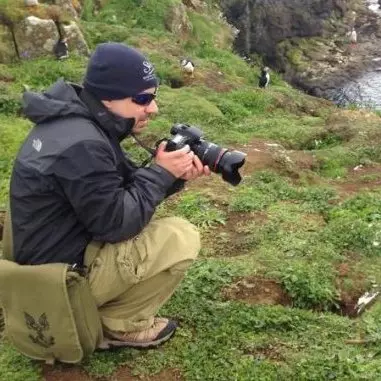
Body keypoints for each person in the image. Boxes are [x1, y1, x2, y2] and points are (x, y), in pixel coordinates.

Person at [6, 42, 211, 349]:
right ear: (107, 97)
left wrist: (172, 176)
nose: (153, 109)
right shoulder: (83, 144)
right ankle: (116, 325)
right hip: (58, 284)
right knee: (179, 236)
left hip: (50, 261)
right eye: (142, 99)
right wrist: (159, 173)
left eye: (154, 98)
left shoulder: (76, 124)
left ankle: (97, 311)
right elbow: (116, 225)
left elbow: (117, 192)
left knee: (155, 231)